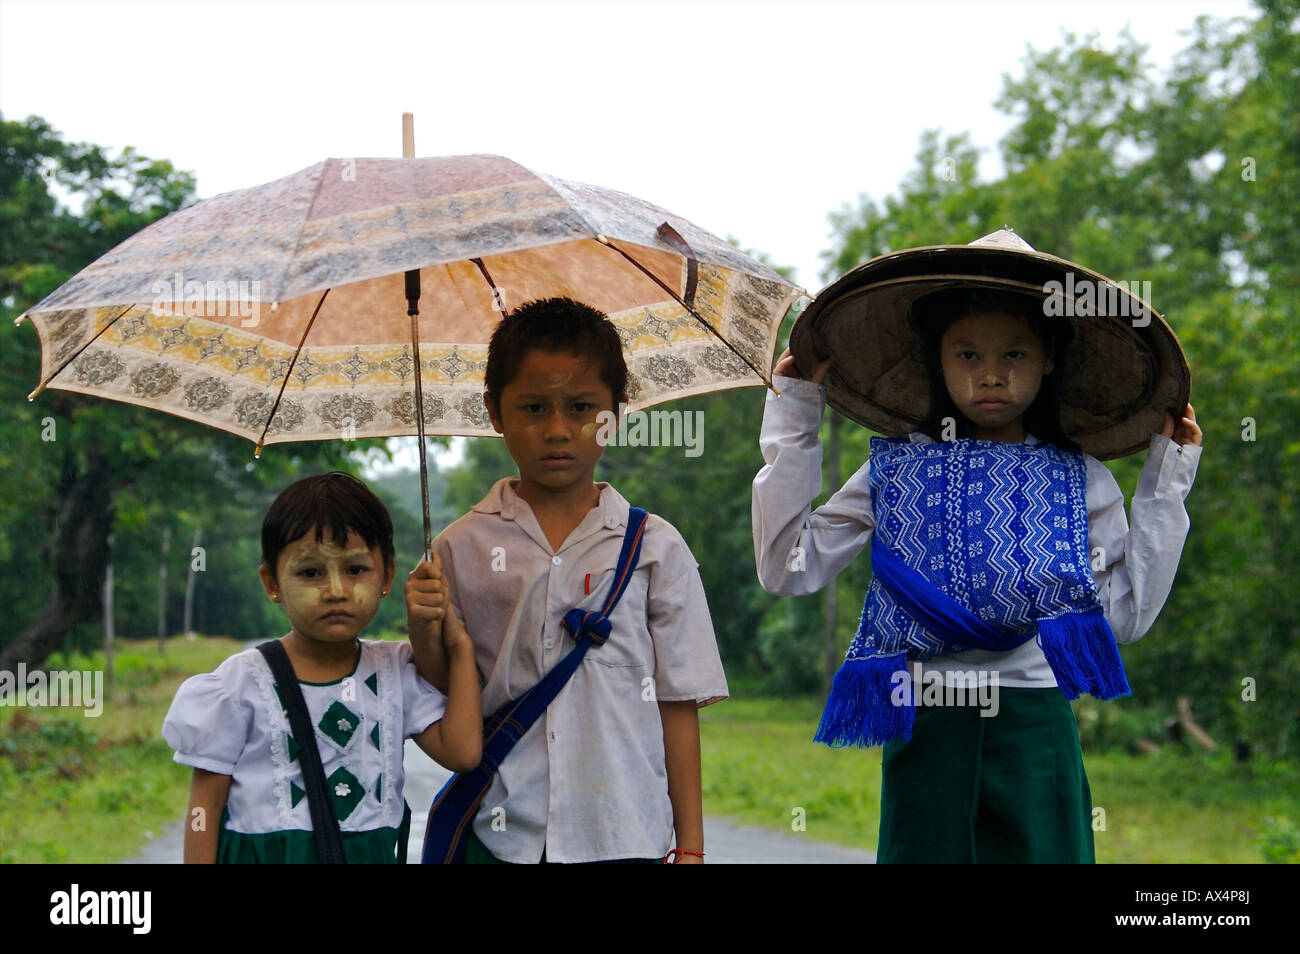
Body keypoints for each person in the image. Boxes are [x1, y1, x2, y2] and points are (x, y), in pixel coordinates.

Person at [752, 230, 1203, 863]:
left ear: (1048, 358)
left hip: (1035, 733)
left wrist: (1166, 482)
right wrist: (795, 415)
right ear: (937, 360)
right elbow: (786, 567)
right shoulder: (895, 472)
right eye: (966, 355)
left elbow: (1126, 619)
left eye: (1014, 354)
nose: (990, 374)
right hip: (928, 729)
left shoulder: (1084, 482)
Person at [407, 297, 727, 864]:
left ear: (614, 413)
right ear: (494, 411)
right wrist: (424, 627)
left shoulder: (656, 547)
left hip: (622, 832)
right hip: (499, 831)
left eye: (580, 407)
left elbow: (677, 701)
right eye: (533, 408)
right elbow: (445, 689)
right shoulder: (458, 547)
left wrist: (693, 846)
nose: (557, 430)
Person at [162, 472, 482, 863]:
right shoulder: (239, 684)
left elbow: (463, 753)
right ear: (271, 582)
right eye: (310, 572)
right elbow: (204, 809)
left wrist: (458, 645)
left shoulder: (393, 672)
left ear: (387, 577)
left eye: (355, 570)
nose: (335, 591)